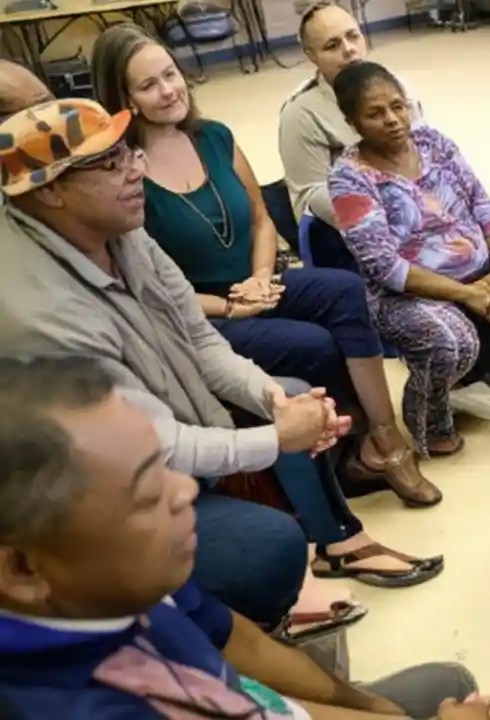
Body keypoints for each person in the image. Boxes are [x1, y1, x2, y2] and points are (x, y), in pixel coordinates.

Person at [0, 98, 441, 616]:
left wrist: (273, 400)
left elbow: (202, 340)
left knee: (295, 394)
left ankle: (335, 546)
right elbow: (154, 447)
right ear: (49, 190)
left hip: (163, 438)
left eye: (129, 152)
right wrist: (276, 438)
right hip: (104, 504)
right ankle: (265, 608)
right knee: (268, 546)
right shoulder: (36, 312)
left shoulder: (118, 229)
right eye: (111, 161)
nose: (136, 169)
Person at [0, 356, 490, 720]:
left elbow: (239, 653)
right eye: (142, 491)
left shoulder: (106, 588)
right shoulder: (83, 700)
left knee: (444, 686)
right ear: (22, 569)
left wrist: (377, 709)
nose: (184, 489)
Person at [90, 23, 441, 508]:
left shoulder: (214, 137)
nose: (169, 90)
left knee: (343, 289)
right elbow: (144, 285)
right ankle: (342, 452)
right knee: (314, 344)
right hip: (203, 315)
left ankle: (381, 438)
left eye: (171, 74)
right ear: (121, 97)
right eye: (148, 85)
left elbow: (259, 218)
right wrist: (231, 306)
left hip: (258, 283)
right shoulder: (125, 174)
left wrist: (258, 278)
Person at [328, 61, 490, 457]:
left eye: (398, 106)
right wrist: (467, 295)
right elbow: (386, 267)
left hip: (480, 272)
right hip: (407, 292)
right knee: (452, 343)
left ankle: (474, 384)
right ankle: (429, 421)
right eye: (375, 114)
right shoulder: (349, 178)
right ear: (352, 121)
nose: (394, 120)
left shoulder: (434, 142)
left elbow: (485, 210)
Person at [280, 1, 422, 234]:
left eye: (353, 36)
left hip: (421, 210)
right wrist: (382, 211)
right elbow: (310, 195)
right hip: (358, 230)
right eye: (332, 45)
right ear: (311, 55)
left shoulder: (396, 87)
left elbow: (425, 149)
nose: (349, 49)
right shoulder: (301, 114)